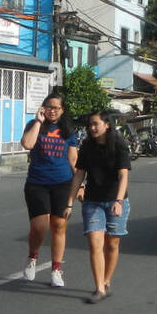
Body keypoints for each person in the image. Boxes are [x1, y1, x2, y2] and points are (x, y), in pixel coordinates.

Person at [66, 110, 130, 303]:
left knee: (112, 244)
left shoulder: (119, 145)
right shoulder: (87, 146)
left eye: (96, 124)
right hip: (92, 201)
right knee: (95, 243)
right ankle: (99, 288)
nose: (92, 128)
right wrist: (69, 202)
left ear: (106, 125)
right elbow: (79, 173)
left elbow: (123, 176)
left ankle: (107, 280)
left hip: (115, 200)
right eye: (90, 125)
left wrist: (118, 201)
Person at [20, 92, 79, 288]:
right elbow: (27, 144)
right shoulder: (34, 125)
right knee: (39, 227)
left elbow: (73, 161)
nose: (53, 111)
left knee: (58, 226)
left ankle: (56, 270)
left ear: (62, 110)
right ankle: (32, 258)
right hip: (37, 183)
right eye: (49, 106)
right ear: (43, 107)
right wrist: (38, 121)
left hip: (62, 183)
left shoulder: (69, 131)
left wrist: (80, 187)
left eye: (57, 108)